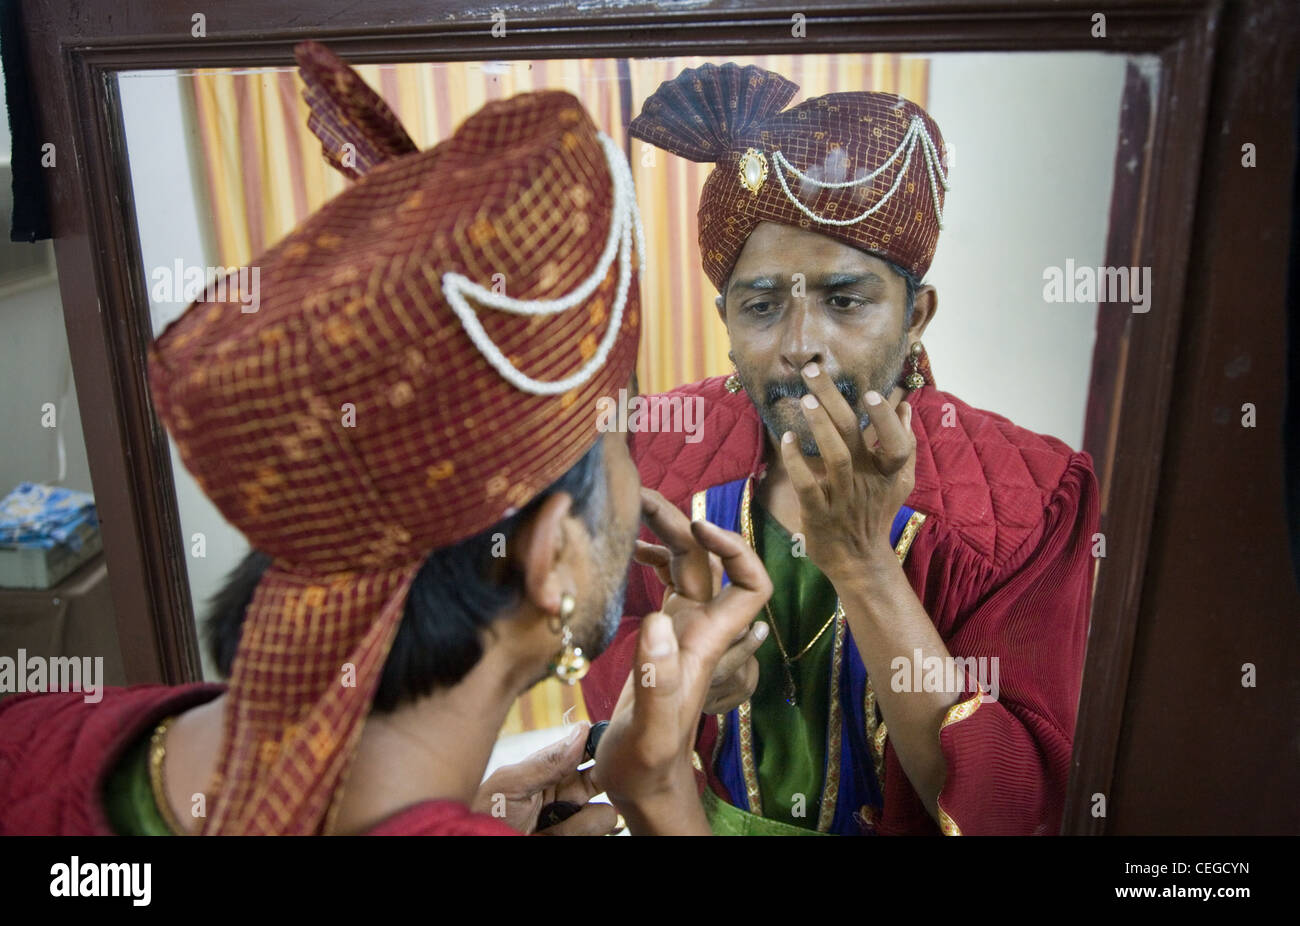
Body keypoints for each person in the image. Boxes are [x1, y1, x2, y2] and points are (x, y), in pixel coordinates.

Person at [0, 43, 770, 836]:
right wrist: (654, 782)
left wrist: (471, 804)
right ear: (552, 558)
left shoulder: (37, 729)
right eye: (618, 427)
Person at [581, 62, 1101, 836]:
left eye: (845, 300)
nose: (800, 346)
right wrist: (671, 681)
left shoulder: (1032, 497)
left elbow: (1018, 803)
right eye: (762, 305)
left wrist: (864, 565)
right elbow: (602, 648)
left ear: (916, 314)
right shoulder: (650, 447)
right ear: (726, 318)